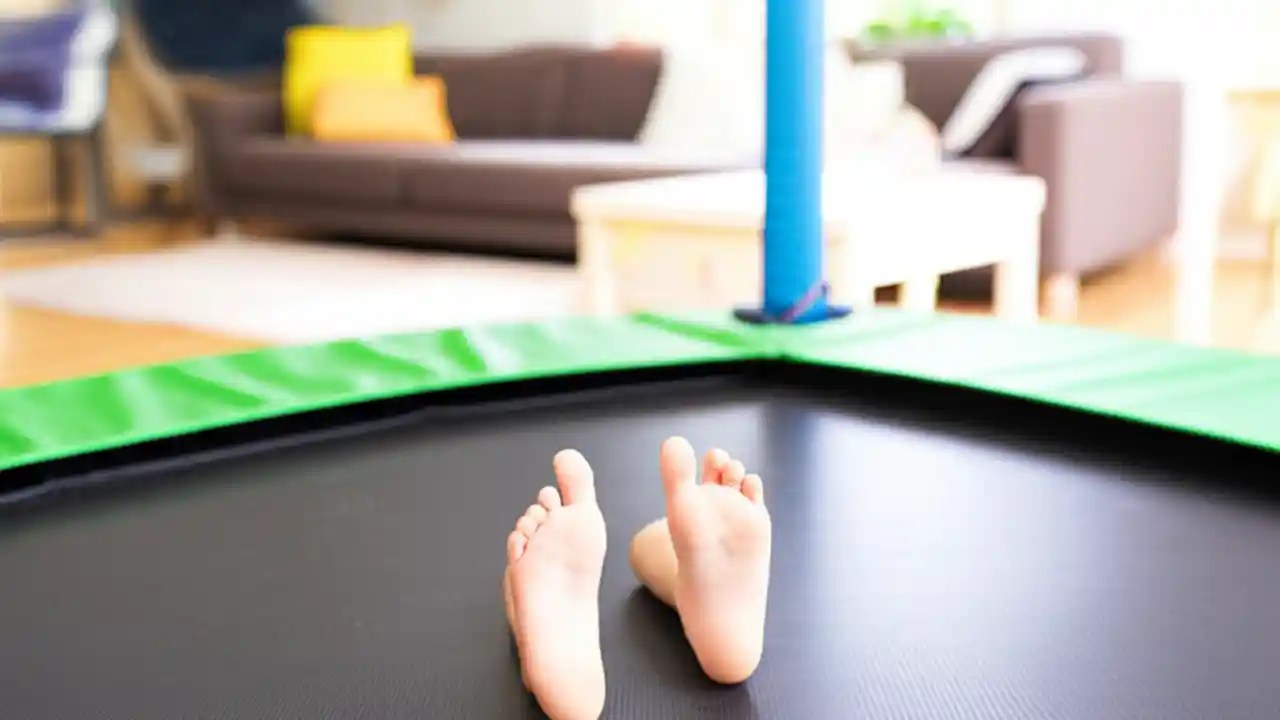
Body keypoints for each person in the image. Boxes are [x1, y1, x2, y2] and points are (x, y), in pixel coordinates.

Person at [501, 436, 772, 720]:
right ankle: (709, 603)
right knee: (645, 547)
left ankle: (531, 623)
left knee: (515, 580)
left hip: (546, 582)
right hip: (671, 549)